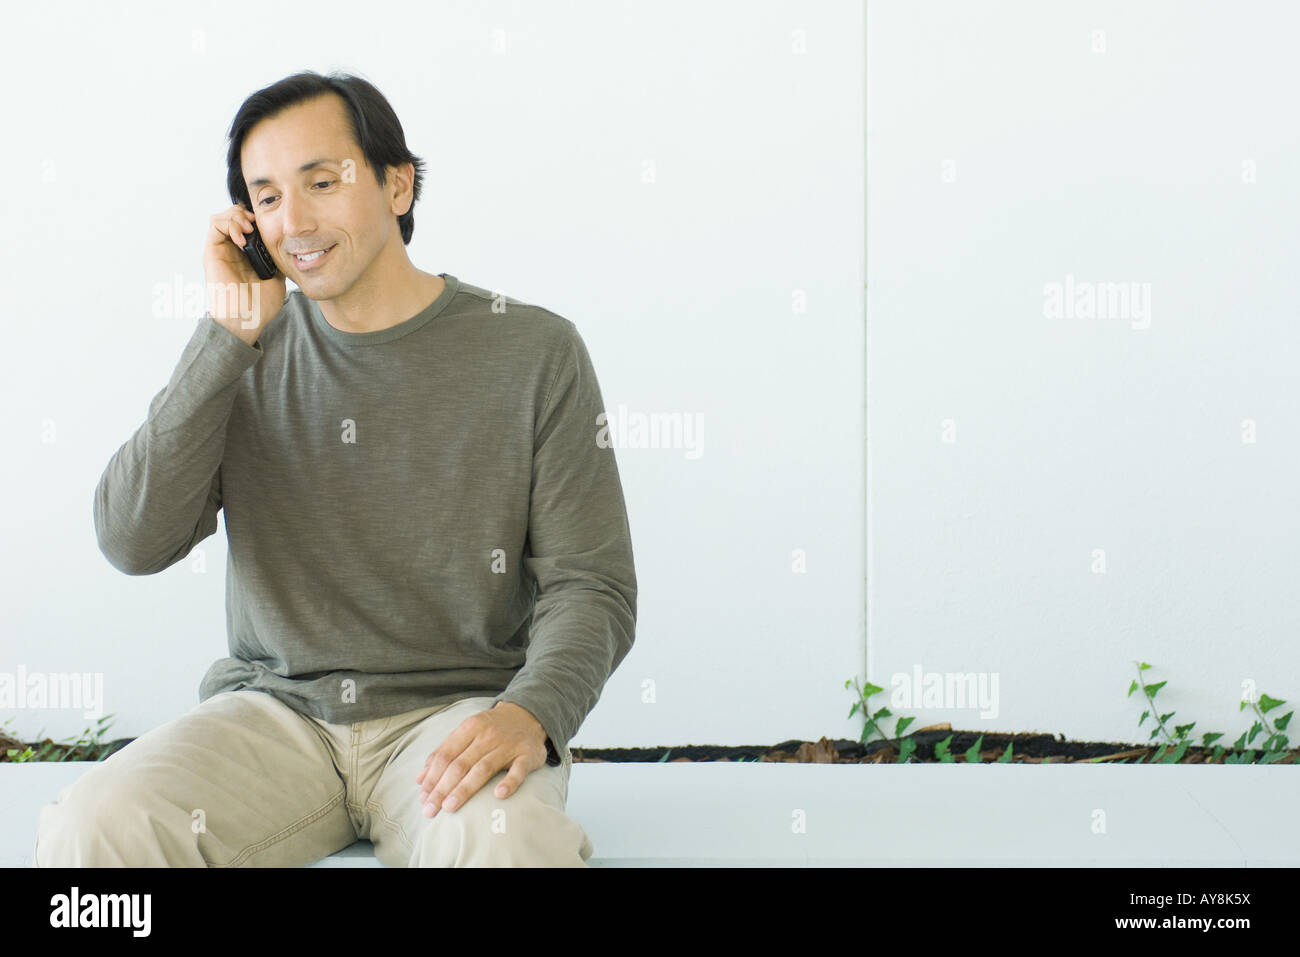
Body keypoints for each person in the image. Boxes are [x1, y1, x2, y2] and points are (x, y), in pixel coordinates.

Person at [35, 71, 637, 867]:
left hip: (452, 720)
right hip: (274, 717)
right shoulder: (240, 353)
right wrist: (226, 337)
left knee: (507, 843)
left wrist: (532, 710)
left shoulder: (533, 352)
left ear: (397, 183)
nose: (296, 221)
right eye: (270, 198)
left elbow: (591, 584)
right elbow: (131, 540)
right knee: (91, 826)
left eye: (322, 182)